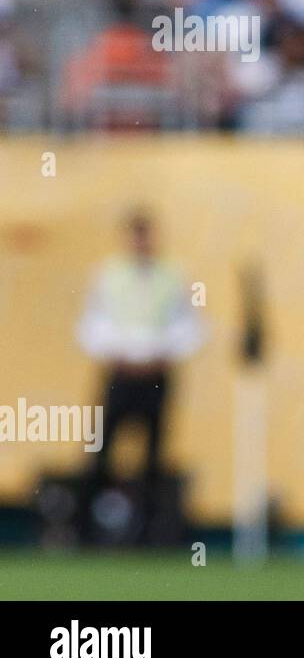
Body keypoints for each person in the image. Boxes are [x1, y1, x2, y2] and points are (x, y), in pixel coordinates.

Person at [77, 208, 204, 539]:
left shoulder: (172, 275)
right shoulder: (107, 274)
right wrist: (120, 354)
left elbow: (188, 325)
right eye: (136, 234)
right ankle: (86, 531)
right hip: (120, 374)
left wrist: (159, 355)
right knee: (100, 452)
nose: (141, 241)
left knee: (154, 458)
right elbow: (92, 324)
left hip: (157, 376)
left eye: (145, 234)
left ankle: (149, 534)